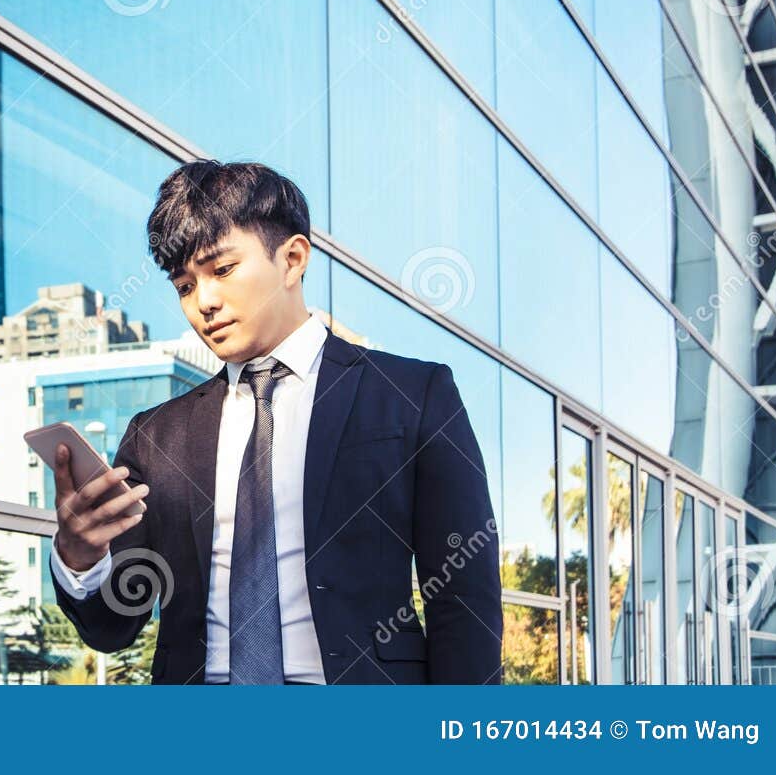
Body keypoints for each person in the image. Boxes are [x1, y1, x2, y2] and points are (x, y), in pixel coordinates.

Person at [50, 159, 501, 685]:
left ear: (292, 259)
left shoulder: (412, 395)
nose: (205, 303)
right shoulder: (156, 436)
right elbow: (113, 629)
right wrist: (81, 558)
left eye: (221, 270)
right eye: (184, 286)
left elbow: (464, 602)